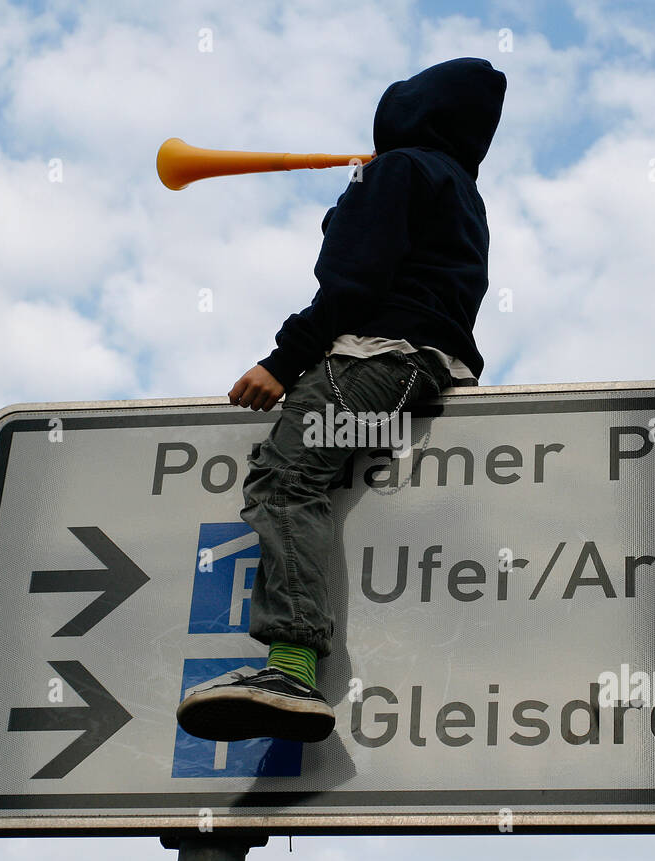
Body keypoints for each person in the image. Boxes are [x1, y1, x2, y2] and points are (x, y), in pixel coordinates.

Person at [176, 56, 506, 744]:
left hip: (370, 354)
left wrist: (282, 359)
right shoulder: (462, 191)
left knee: (286, 480)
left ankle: (290, 665)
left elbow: (354, 281)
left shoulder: (394, 170)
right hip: (426, 367)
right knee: (322, 483)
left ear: (407, 112)